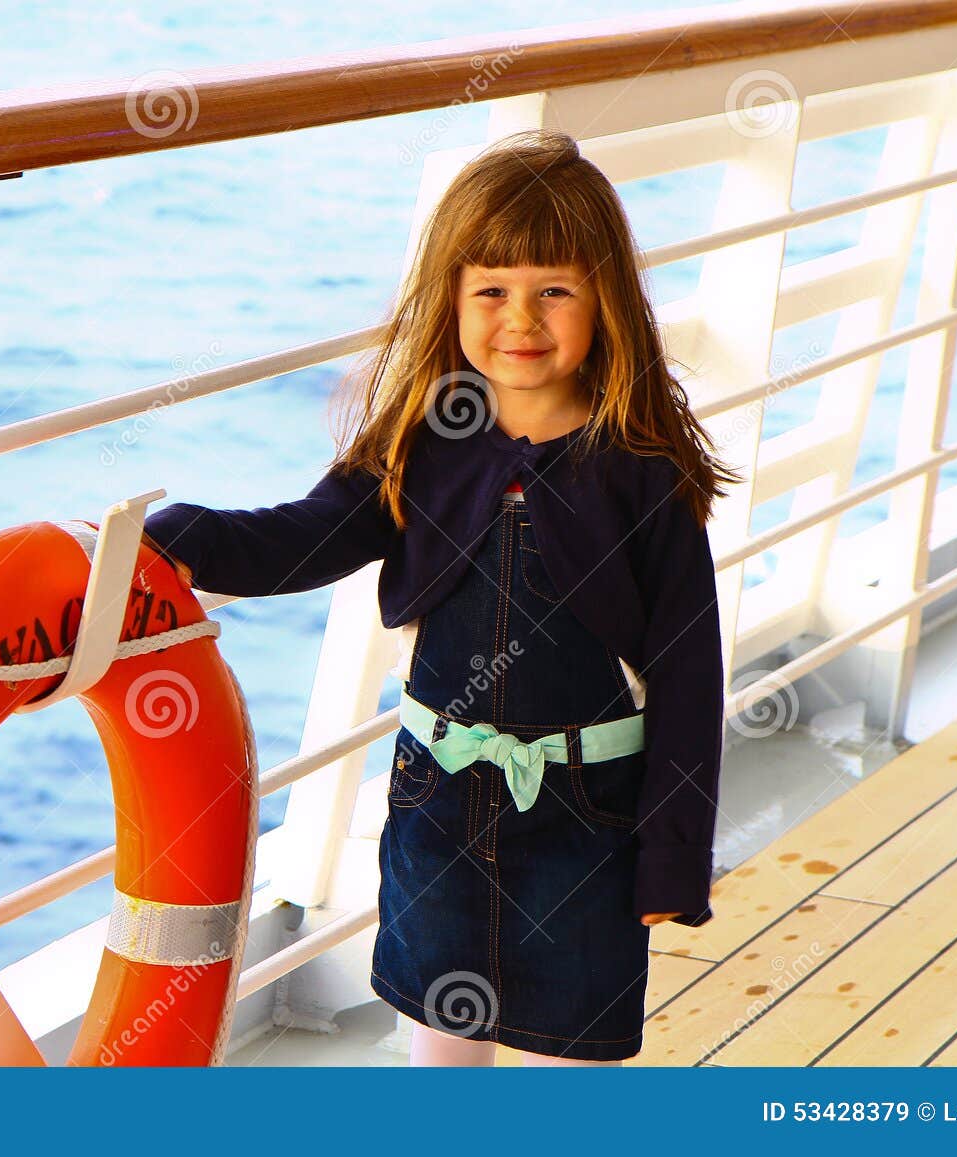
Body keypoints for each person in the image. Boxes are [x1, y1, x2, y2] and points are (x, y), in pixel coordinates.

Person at [138, 129, 742, 1066]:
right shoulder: (426, 438)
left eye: (556, 289)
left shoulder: (641, 470)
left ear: (606, 299)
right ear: (452, 300)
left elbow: (690, 676)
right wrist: (176, 538)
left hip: (589, 817)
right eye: (491, 290)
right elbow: (307, 534)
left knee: (569, 1061)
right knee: (441, 1060)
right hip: (438, 805)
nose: (521, 318)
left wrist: (673, 853)